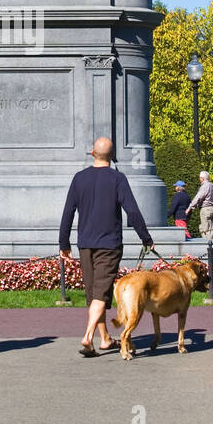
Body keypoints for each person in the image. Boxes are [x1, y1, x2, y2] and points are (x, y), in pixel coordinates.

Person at [59, 137, 153, 357]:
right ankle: (88, 336)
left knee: (93, 293)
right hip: (109, 245)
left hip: (85, 244)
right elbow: (133, 211)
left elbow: (67, 213)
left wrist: (64, 243)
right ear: (112, 156)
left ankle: (105, 339)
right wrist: (145, 238)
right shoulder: (117, 179)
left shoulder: (79, 179)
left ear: (93, 153)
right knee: (100, 294)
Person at [188, 170, 213, 240]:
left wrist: (190, 207)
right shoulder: (212, 185)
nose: (199, 179)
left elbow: (198, 197)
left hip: (205, 208)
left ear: (202, 178)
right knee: (206, 227)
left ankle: (210, 246)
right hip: (211, 208)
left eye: (200, 177)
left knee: (206, 229)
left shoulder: (205, 186)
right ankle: (209, 245)